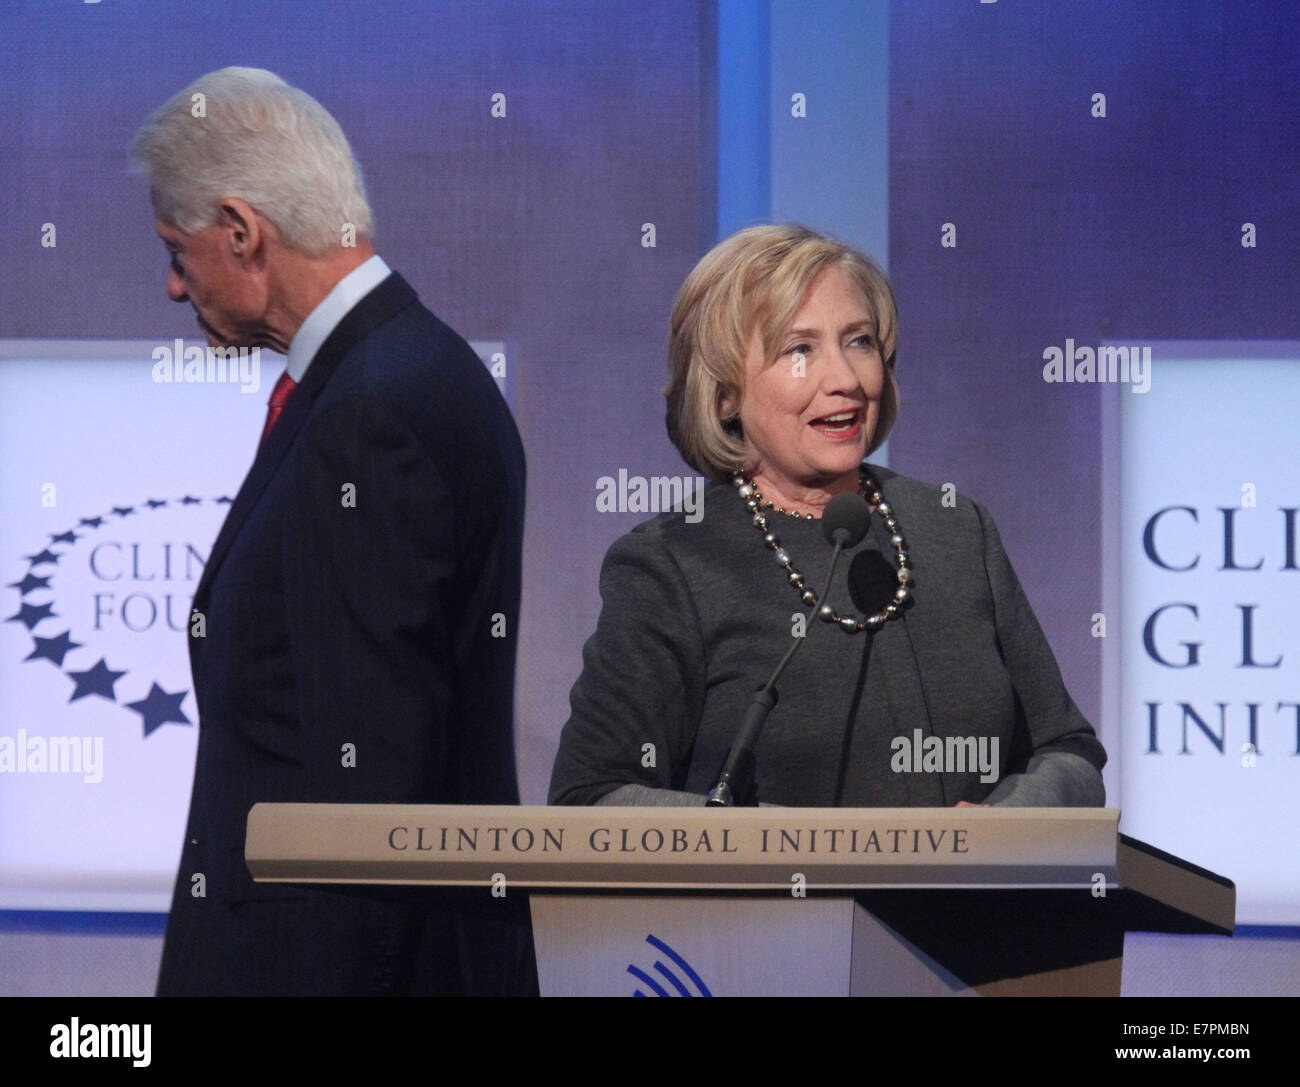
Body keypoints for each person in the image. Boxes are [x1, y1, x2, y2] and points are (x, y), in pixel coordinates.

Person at [131, 67, 536, 995]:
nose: (170, 284)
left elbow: (367, 808)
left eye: (175, 247)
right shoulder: (415, 369)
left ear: (241, 231)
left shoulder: (369, 414)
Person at [549, 224, 1106, 809]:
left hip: (970, 901)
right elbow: (591, 798)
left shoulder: (955, 529)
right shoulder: (672, 565)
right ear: (724, 394)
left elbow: (1068, 752)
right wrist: (773, 845)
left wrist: (1010, 824)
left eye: (859, 341)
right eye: (799, 350)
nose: (844, 380)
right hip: (775, 902)